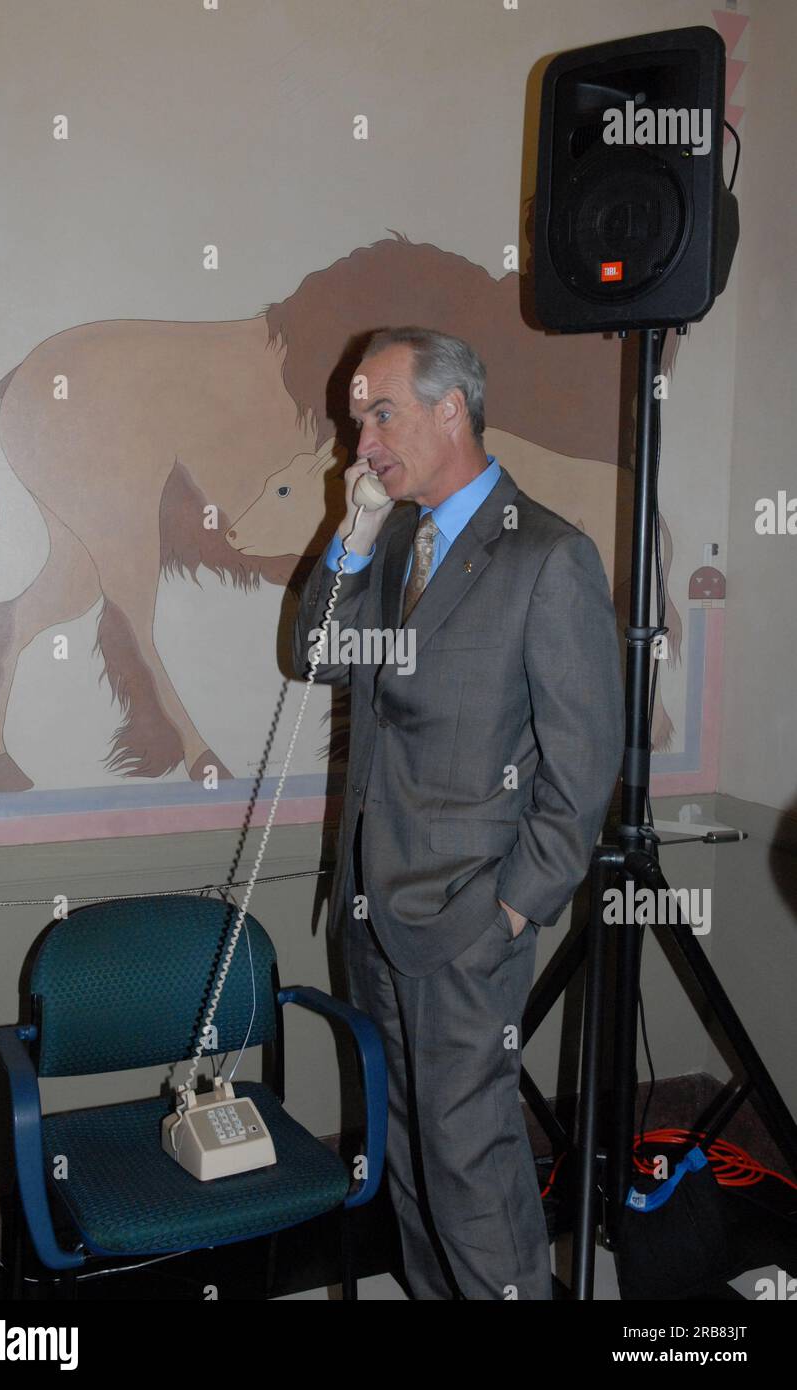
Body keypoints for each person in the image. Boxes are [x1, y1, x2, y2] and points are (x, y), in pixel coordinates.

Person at [291, 326, 625, 1299]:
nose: (365, 444)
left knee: (471, 1167)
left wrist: (513, 909)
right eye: (358, 424)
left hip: (470, 920)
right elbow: (316, 654)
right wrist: (350, 536)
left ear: (451, 409)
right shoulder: (392, 540)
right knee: (407, 1157)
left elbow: (581, 771)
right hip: (373, 908)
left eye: (380, 414)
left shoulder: (548, 558)